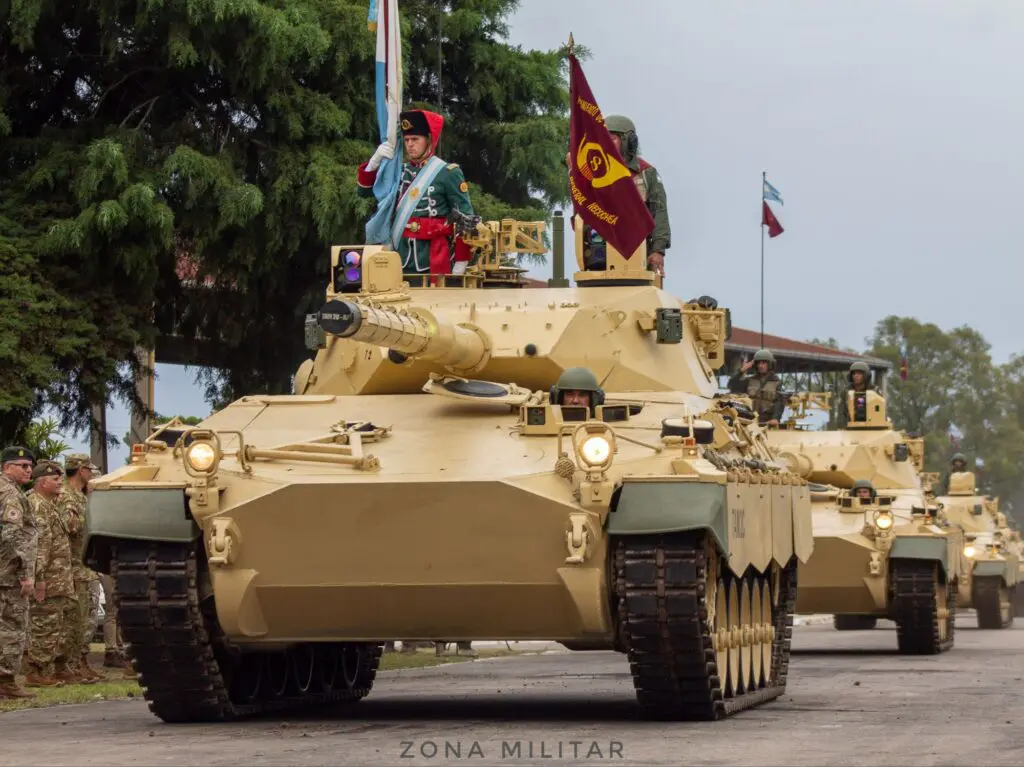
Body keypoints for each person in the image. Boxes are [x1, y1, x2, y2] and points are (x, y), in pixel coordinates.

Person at [357, 109, 477, 279]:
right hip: (399, 256)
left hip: (432, 259)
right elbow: (363, 192)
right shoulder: (399, 171)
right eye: (406, 140)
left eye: (415, 139)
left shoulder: (447, 172)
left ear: (429, 140)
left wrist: (461, 262)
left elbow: (466, 219)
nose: (410, 144)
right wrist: (374, 162)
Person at [567, 114, 671, 275]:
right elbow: (581, 210)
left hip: (637, 256)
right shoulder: (592, 174)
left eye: (612, 139)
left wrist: (658, 250)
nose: (606, 145)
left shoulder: (645, 174)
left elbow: (659, 212)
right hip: (598, 256)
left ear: (628, 142)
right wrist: (574, 173)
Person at [23, 461, 81, 687]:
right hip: (48, 578)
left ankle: (51, 669)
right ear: (41, 482)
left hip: (60, 578)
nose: (60, 483)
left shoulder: (50, 504)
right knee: (43, 624)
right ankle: (35, 672)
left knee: (57, 624)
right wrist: (39, 579)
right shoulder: (36, 505)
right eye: (55, 480)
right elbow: (40, 545)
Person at [56, 454, 103, 682]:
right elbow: (69, 527)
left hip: (85, 564)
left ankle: (80, 662)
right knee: (78, 620)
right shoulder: (67, 496)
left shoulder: (81, 496)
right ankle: (71, 664)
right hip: (75, 566)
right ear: (81, 470)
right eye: (89, 470)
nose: (92, 474)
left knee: (88, 618)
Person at [0, 446, 38, 699]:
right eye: (22, 466)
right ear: (6, 467)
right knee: (12, 626)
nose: (28, 470)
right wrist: (25, 571)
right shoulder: (10, 494)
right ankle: (6, 681)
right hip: (9, 573)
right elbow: (12, 535)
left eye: (29, 466)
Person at [727, 349, 785, 426]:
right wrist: (741, 370)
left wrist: (776, 418)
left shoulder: (776, 382)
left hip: (767, 422)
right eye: (758, 363)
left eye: (764, 363)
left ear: (770, 364)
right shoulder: (749, 381)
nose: (760, 366)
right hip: (750, 421)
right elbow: (731, 385)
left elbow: (779, 402)